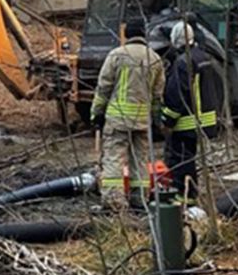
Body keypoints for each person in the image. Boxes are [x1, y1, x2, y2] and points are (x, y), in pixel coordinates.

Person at [91, 18, 165, 209]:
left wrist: (96, 114)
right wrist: (157, 120)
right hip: (142, 120)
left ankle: (114, 201)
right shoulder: (154, 59)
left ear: (127, 34)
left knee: (114, 159)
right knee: (140, 160)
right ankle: (140, 199)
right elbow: (158, 94)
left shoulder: (116, 55)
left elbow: (103, 87)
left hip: (118, 119)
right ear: (144, 34)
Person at [161, 22, 221, 201]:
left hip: (187, 122)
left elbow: (177, 95)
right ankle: (192, 196)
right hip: (204, 119)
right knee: (190, 160)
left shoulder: (183, 62)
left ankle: (183, 199)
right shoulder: (203, 57)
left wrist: (167, 119)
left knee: (180, 162)